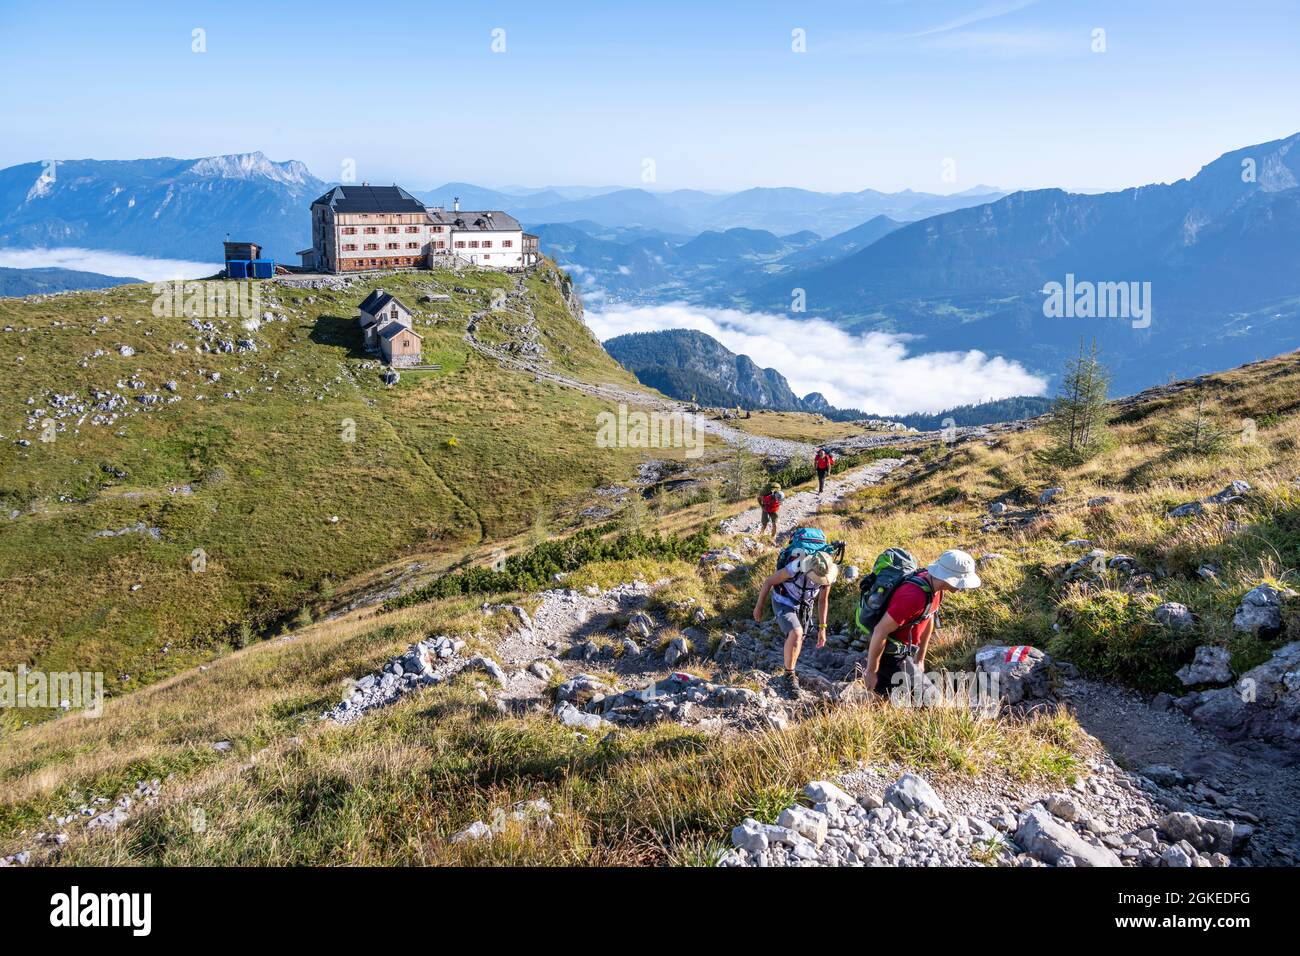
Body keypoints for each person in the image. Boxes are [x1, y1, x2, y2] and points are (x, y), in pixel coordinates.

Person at [859, 549, 981, 699]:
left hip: (903, 652)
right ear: (949, 577)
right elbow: (880, 631)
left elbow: (928, 618)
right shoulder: (913, 596)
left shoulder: (935, 589)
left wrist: (920, 658)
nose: (963, 587)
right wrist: (871, 671)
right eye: (961, 581)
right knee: (932, 701)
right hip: (891, 654)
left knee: (883, 699)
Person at [753, 550, 839, 695]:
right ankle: (789, 675)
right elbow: (769, 582)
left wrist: (822, 628)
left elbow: (823, 600)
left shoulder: (828, 575)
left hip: (804, 604)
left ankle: (789, 668)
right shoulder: (795, 567)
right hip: (783, 601)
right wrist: (759, 607)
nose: (820, 581)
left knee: (799, 638)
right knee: (796, 633)